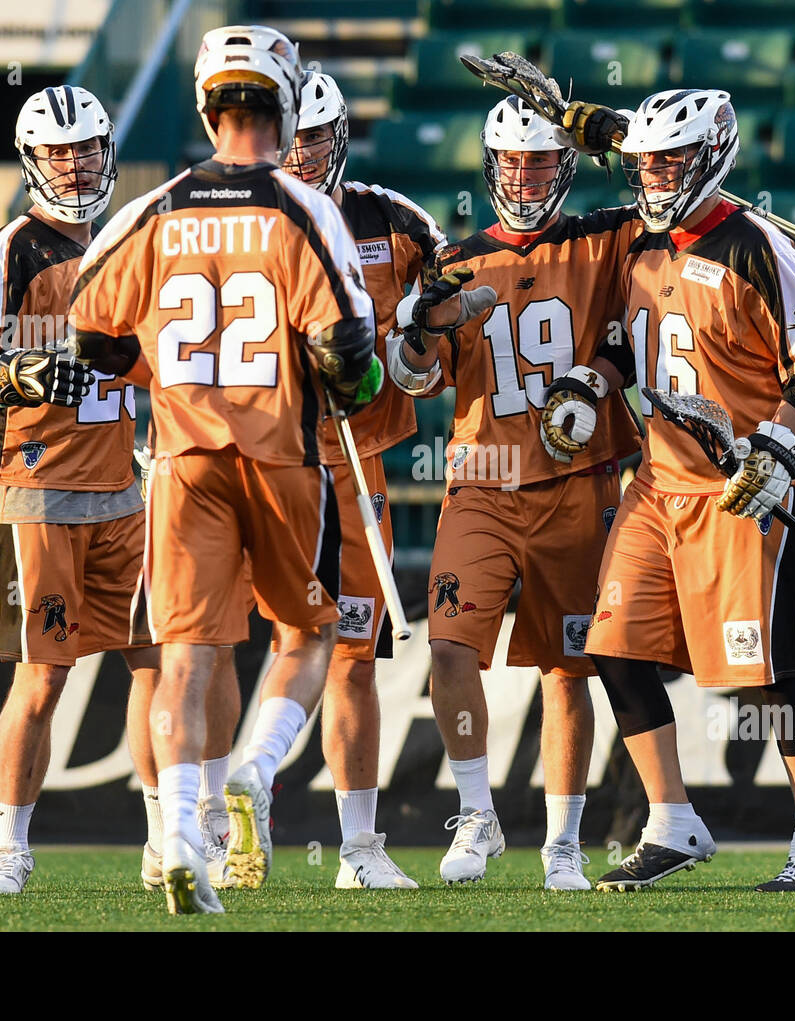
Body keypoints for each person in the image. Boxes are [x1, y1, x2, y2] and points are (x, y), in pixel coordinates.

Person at [69, 25, 381, 914]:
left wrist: (166, 368)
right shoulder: (301, 206)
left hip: (181, 458)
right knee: (307, 636)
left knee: (186, 657)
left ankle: (178, 838)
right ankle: (254, 764)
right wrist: (349, 384)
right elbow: (346, 345)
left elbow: (91, 338)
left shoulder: (152, 207)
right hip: (282, 455)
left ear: (209, 106)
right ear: (282, 107)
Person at [545, 88, 795, 891]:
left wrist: (780, 447)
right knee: (611, 646)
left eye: (672, 160)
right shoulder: (641, 243)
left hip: (749, 485)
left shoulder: (757, 248)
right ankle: (672, 819)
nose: (655, 176)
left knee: (771, 670)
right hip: (660, 483)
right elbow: (627, 339)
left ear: (714, 155)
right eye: (647, 161)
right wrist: (589, 383)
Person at [392, 96, 641, 889]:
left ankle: (562, 840)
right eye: (512, 162)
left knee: (569, 668)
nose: (524, 176)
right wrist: (424, 324)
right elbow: (414, 377)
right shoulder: (455, 257)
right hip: (483, 480)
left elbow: (681, 191)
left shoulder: (607, 235)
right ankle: (477, 812)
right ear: (491, 166)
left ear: (566, 165)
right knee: (448, 646)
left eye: (539, 161)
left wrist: (622, 132)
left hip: (579, 480)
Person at [0, 85, 161, 895]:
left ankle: (163, 836)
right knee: (41, 677)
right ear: (31, 158)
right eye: (57, 151)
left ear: (107, 150)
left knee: (158, 660)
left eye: (86, 148)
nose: (73, 164)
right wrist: (17, 374)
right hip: (27, 490)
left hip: (121, 490)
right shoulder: (9, 252)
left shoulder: (135, 243)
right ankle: (9, 845)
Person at [280, 70, 447, 889]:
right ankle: (195, 827)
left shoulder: (397, 223)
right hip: (259, 462)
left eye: (315, 136)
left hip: (356, 464)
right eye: (292, 135)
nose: (302, 152)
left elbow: (427, 369)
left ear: (340, 135)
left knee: (351, 653)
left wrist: (408, 349)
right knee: (206, 645)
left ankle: (357, 847)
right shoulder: (243, 218)